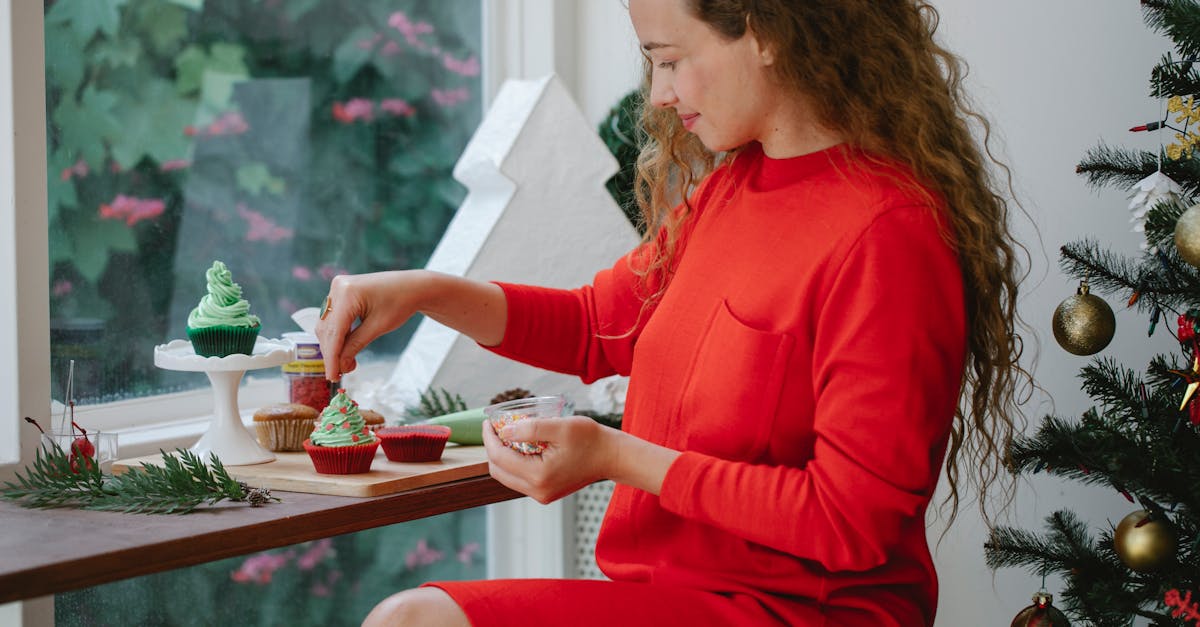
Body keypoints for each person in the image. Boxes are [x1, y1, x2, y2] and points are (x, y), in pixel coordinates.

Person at [316, 0, 1029, 625]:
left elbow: (850, 522)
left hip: (801, 613)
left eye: (670, 60)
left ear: (765, 30)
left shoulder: (890, 233)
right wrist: (424, 292)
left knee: (414, 621)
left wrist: (615, 457)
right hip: (675, 595)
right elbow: (597, 325)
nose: (658, 96)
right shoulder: (729, 192)